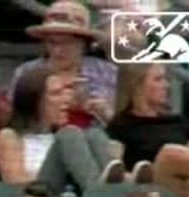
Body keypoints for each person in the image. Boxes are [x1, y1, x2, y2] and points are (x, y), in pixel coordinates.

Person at [0, 64, 123, 192]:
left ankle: (116, 186)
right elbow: (15, 181)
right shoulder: (10, 136)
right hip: (37, 194)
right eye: (56, 94)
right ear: (33, 99)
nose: (66, 99)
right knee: (69, 134)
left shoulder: (59, 138)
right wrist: (65, 175)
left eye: (65, 92)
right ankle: (99, 190)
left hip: (70, 195)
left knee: (94, 134)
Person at [106, 63, 189, 197]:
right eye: (158, 79)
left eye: (165, 79)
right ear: (137, 86)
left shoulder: (178, 121)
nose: (166, 85)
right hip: (157, 191)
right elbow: (115, 171)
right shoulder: (121, 125)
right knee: (170, 154)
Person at [7, 0, 117, 130]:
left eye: (67, 43)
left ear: (84, 44)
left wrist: (102, 111)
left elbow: (125, 125)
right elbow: (14, 120)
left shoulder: (107, 73)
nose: (58, 50)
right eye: (52, 43)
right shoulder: (27, 72)